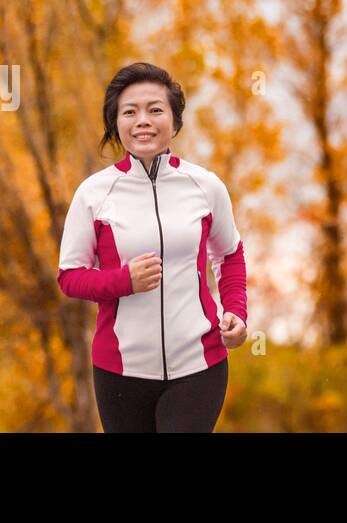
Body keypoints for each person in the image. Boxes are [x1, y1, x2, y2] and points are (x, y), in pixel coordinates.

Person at [57, 62, 247, 432]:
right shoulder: (94, 194)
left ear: (174, 122)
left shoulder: (205, 186)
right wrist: (123, 281)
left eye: (155, 110)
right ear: (116, 124)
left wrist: (237, 312)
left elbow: (229, 255)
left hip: (199, 364)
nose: (142, 120)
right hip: (120, 372)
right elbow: (70, 277)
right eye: (130, 112)